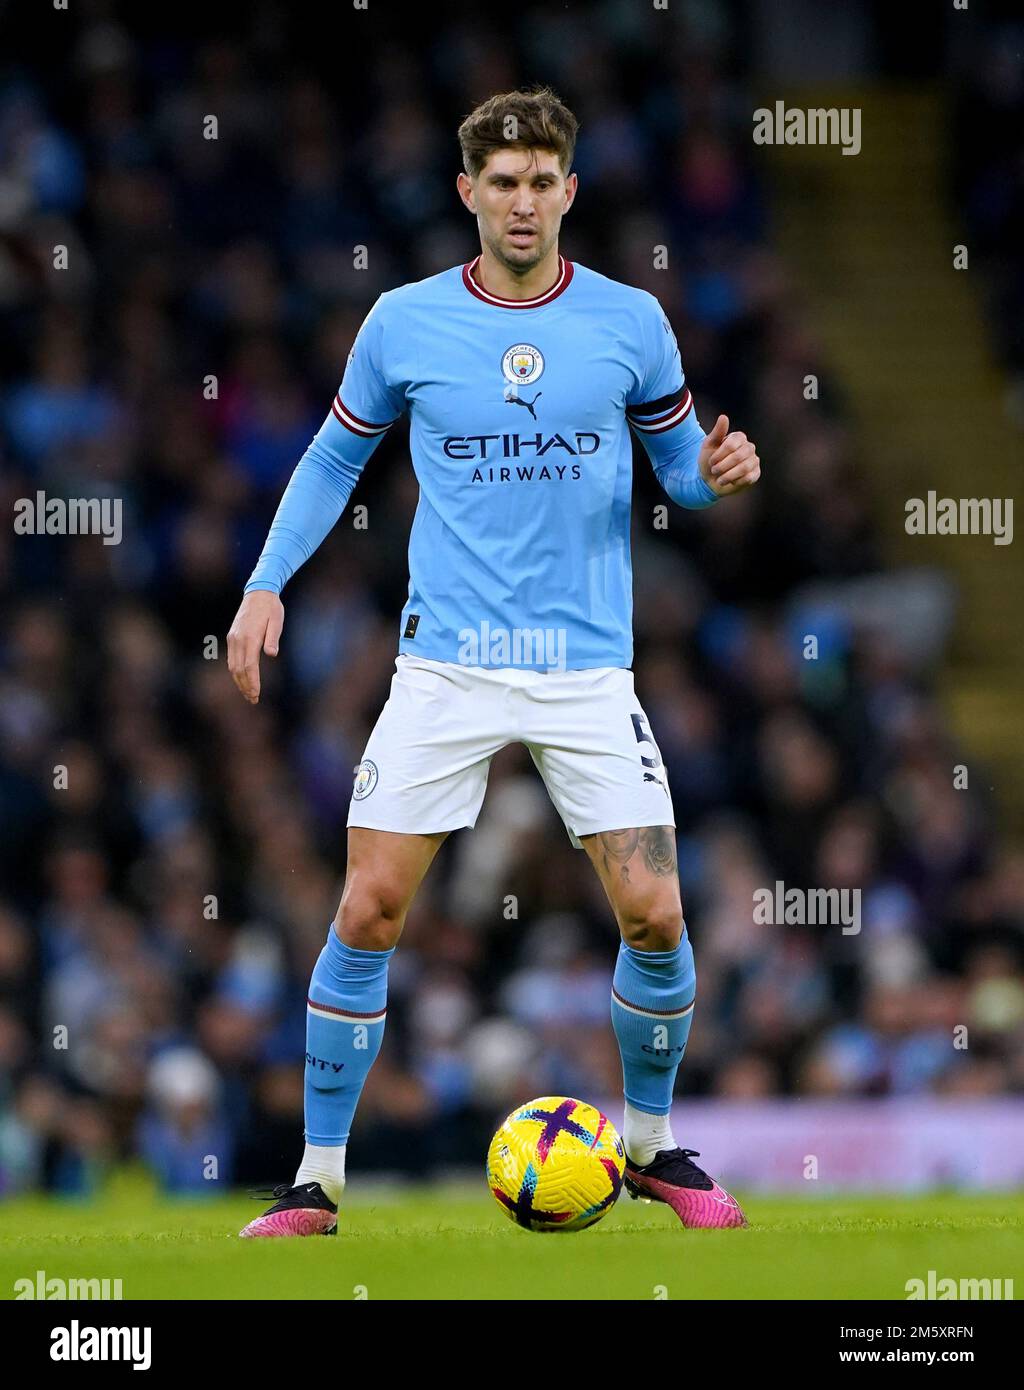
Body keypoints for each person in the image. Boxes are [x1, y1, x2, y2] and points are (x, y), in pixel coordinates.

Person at [228, 87, 760, 1238]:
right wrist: (265, 585)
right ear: (467, 193)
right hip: (447, 665)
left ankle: (653, 1145)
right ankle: (318, 1178)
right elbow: (330, 462)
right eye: (501, 183)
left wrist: (710, 477)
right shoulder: (403, 323)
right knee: (368, 908)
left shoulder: (630, 322)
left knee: (656, 914)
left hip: (582, 670)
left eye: (541, 182)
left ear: (571, 190)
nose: (522, 203)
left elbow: (676, 472)